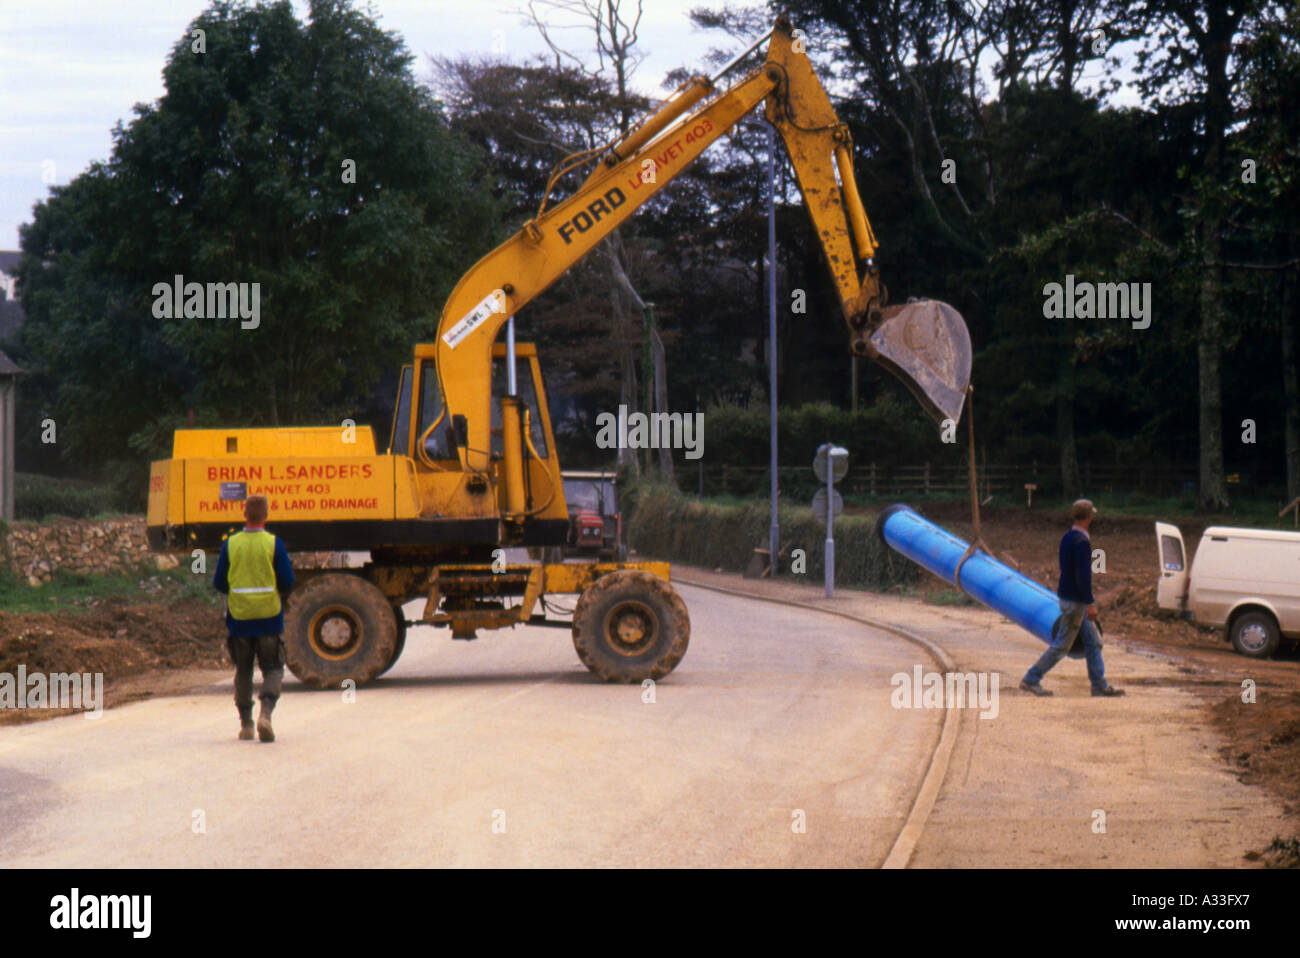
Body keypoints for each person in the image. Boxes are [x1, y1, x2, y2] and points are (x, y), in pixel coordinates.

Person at [1020, 499, 1124, 698]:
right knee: (1061, 647)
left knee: (1094, 642)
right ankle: (1031, 678)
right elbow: (1083, 576)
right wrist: (1090, 603)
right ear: (1090, 517)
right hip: (1077, 603)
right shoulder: (1082, 542)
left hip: (1069, 599)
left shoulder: (1068, 537)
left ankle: (1099, 685)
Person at [213, 495, 294, 741]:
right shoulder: (274, 544)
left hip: (239, 619)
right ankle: (266, 715)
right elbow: (288, 581)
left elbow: (218, 582)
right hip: (269, 618)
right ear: (266, 515)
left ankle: (246, 724)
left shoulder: (231, 544)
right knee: (272, 669)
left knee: (244, 670)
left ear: (243, 513)